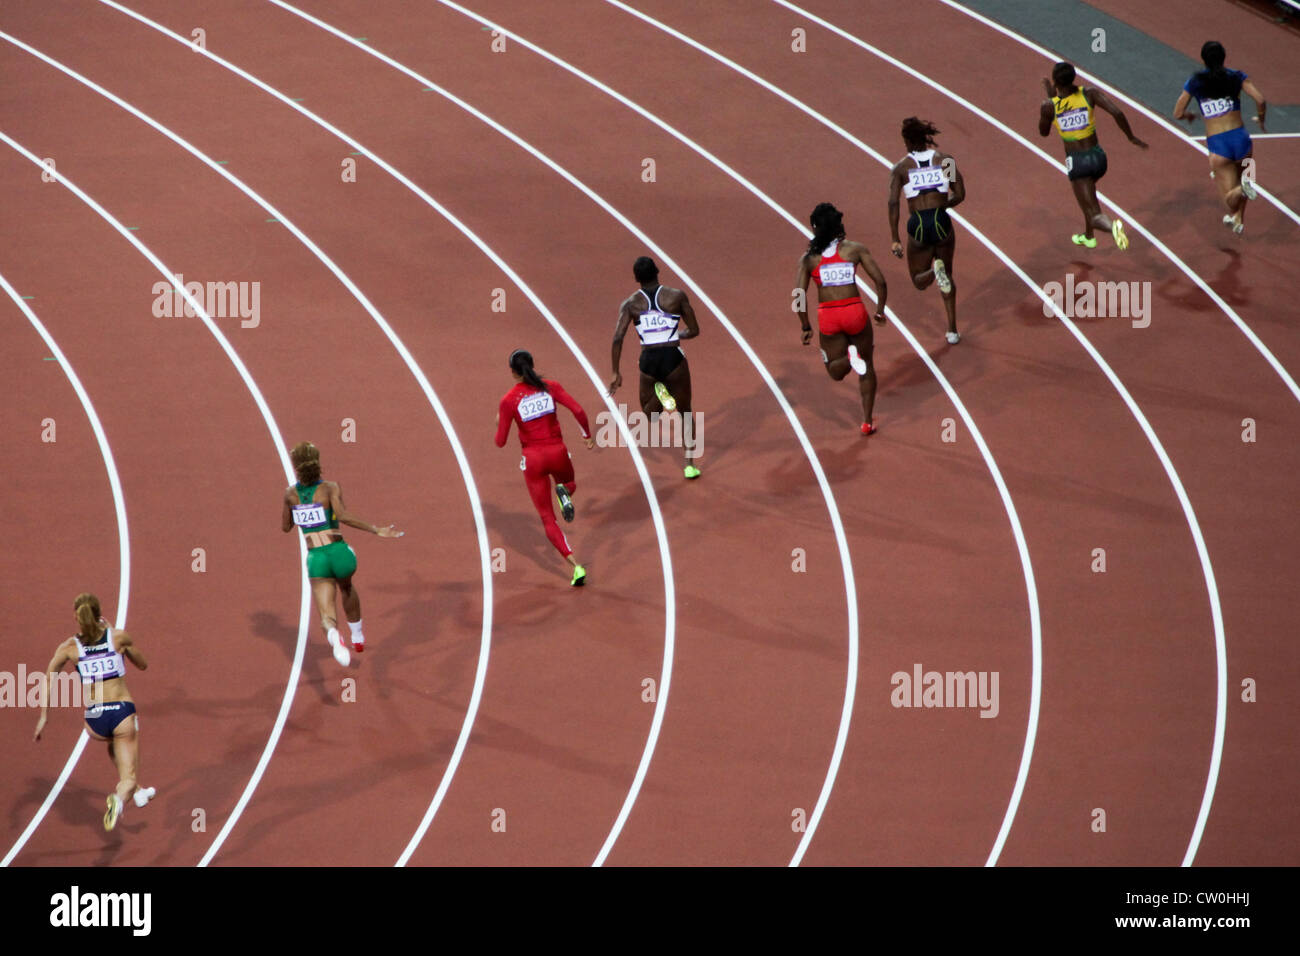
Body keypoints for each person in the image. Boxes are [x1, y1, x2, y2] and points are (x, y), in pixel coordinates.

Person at [33, 593, 156, 831]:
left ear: (76, 618)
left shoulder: (69, 647)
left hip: (95, 720)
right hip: (121, 714)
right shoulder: (118, 637)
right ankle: (120, 800)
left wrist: (44, 716)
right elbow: (143, 664)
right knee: (127, 778)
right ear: (100, 615)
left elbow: (48, 681)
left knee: (114, 745)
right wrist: (122, 644)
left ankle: (139, 792)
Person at [282, 441, 402, 667]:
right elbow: (343, 516)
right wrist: (376, 530)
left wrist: (298, 510)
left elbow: (285, 527)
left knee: (327, 615)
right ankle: (357, 636)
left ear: (296, 467)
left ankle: (336, 638)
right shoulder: (330, 488)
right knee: (346, 587)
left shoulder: (290, 494)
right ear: (317, 464)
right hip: (340, 553)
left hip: (316, 558)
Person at [497, 349, 595, 586]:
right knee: (570, 483)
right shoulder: (550, 387)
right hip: (558, 451)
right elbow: (579, 410)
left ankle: (576, 566)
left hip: (533, 459)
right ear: (532, 365)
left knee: (547, 517)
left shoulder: (509, 400)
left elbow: (500, 442)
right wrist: (586, 435)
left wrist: (499, 421)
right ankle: (565, 493)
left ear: (513, 372)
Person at [795, 202, 888, 435]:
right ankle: (867, 422)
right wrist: (880, 310)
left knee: (835, 373)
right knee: (867, 367)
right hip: (855, 311)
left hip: (829, 316)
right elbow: (881, 281)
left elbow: (798, 296)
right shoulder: (855, 250)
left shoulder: (808, 259)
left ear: (815, 228)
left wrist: (805, 325)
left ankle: (848, 357)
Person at [608, 256, 702, 479]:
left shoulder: (630, 304)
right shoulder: (677, 296)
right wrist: (675, 334)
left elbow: (617, 338)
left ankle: (661, 396)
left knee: (650, 416)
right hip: (672, 357)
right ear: (658, 271)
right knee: (685, 411)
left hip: (648, 360)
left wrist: (615, 371)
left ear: (636, 279)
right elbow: (695, 330)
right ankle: (689, 464)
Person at [1038, 61, 1147, 249]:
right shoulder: (1090, 94)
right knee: (1088, 197)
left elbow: (1043, 132)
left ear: (1055, 82)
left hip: (1079, 163)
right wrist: (1131, 137)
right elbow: (1117, 112)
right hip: (1099, 158)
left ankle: (1112, 227)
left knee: (1094, 213)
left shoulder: (1049, 106)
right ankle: (1088, 236)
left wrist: (1050, 99)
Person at [1174, 41, 1267, 235]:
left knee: (1230, 199)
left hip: (1219, 145)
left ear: (1203, 59)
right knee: (1243, 178)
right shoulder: (1237, 76)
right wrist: (1260, 119)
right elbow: (1260, 100)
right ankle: (1239, 218)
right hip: (1241, 139)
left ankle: (1238, 204)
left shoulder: (1195, 82)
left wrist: (1189, 115)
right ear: (1224, 57)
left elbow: (1178, 113)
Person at [888, 117, 966, 345]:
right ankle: (952, 330)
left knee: (918, 281)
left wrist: (895, 239)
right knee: (948, 277)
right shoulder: (945, 160)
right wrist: (943, 207)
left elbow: (893, 203)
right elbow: (960, 194)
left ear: (907, 141)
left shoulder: (901, 168)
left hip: (918, 224)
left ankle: (933, 272)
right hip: (941, 221)